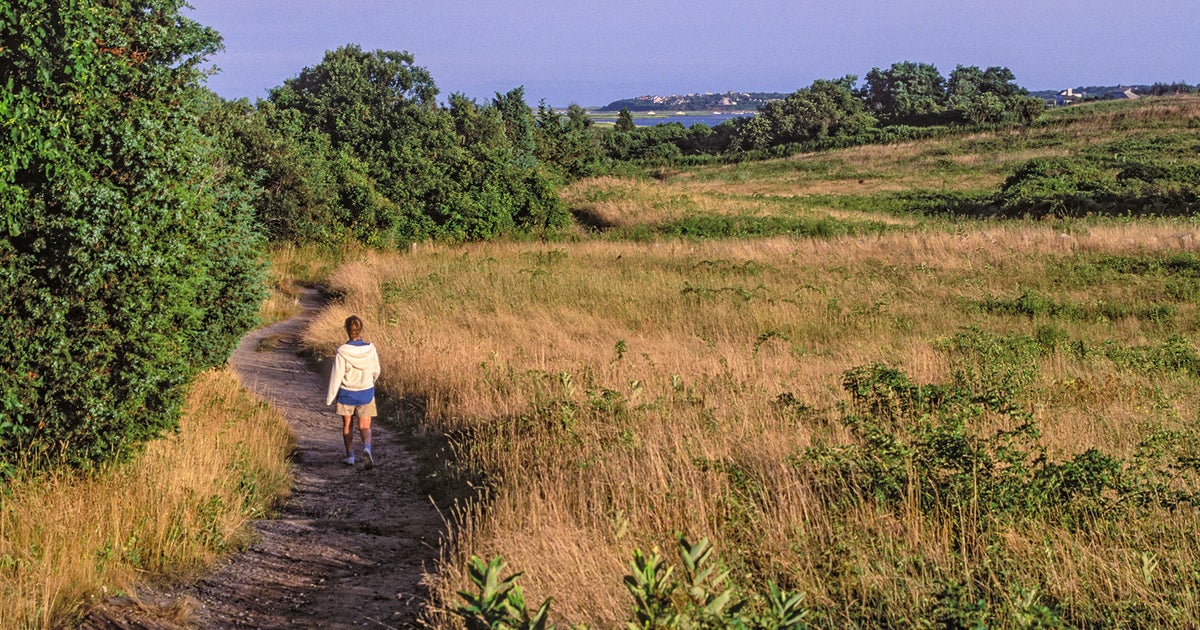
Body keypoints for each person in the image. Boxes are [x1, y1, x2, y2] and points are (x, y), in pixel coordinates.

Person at [325, 315, 381, 468]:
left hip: (347, 393)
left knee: (347, 425)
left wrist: (330, 398)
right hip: (366, 392)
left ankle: (350, 456)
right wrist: (370, 382)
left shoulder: (342, 352)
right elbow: (376, 370)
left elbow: (336, 375)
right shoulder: (371, 349)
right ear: (361, 330)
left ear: (347, 330)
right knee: (365, 425)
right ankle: (367, 448)